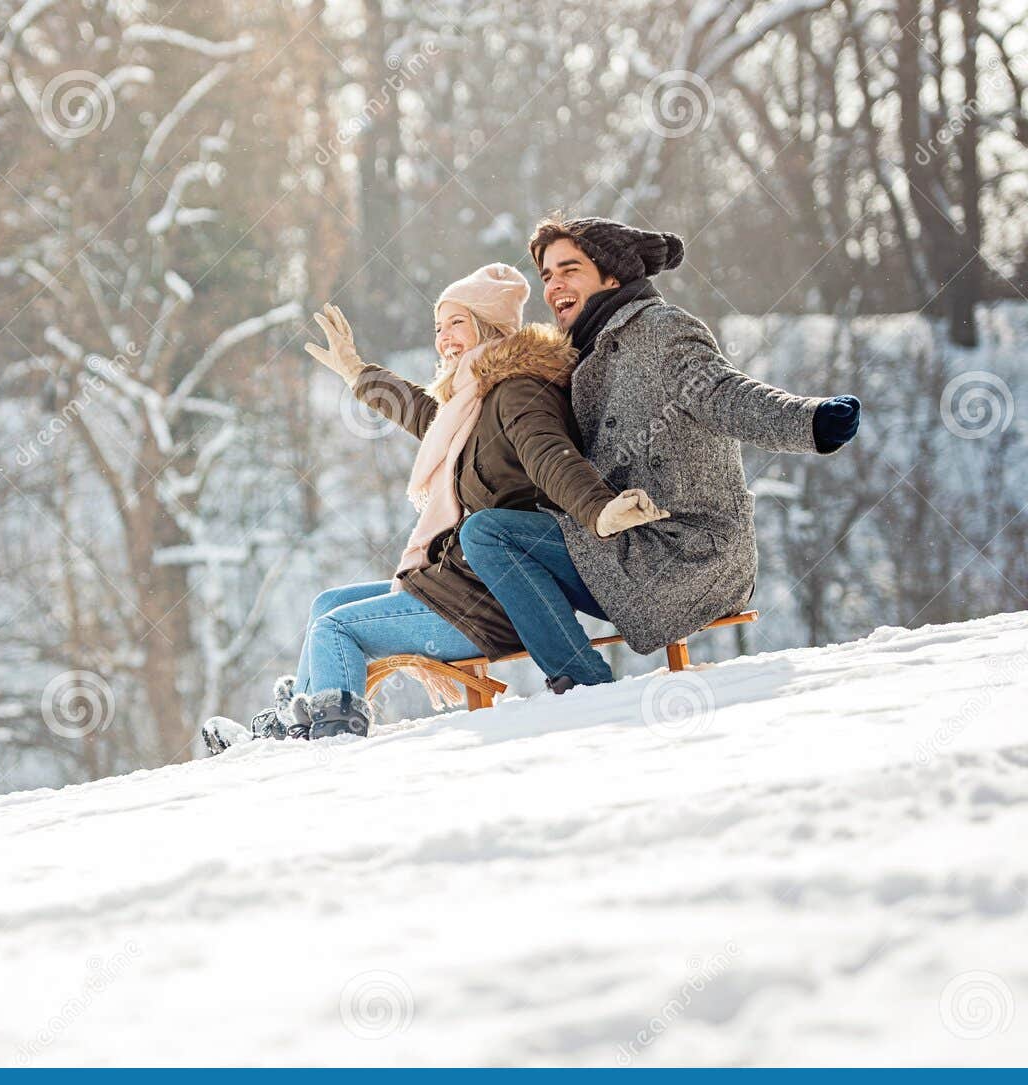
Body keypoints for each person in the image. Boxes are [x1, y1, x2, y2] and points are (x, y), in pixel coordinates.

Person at [201, 263, 667, 754]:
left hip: (492, 601)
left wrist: (598, 510)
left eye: (457, 323)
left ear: (489, 326)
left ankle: (331, 742)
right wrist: (359, 374)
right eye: (438, 326)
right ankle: (292, 727)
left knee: (335, 629)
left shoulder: (519, 391)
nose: (444, 337)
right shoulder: (475, 400)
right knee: (326, 605)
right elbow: (430, 418)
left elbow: (551, 457)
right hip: (463, 584)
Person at [456, 217, 863, 692]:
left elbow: (724, 394)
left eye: (570, 270)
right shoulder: (580, 352)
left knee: (488, 535)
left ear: (611, 276)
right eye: (547, 275)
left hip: (686, 552)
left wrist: (809, 420)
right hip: (628, 548)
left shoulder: (659, 329)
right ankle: (571, 681)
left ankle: (583, 689)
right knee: (486, 535)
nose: (554, 285)